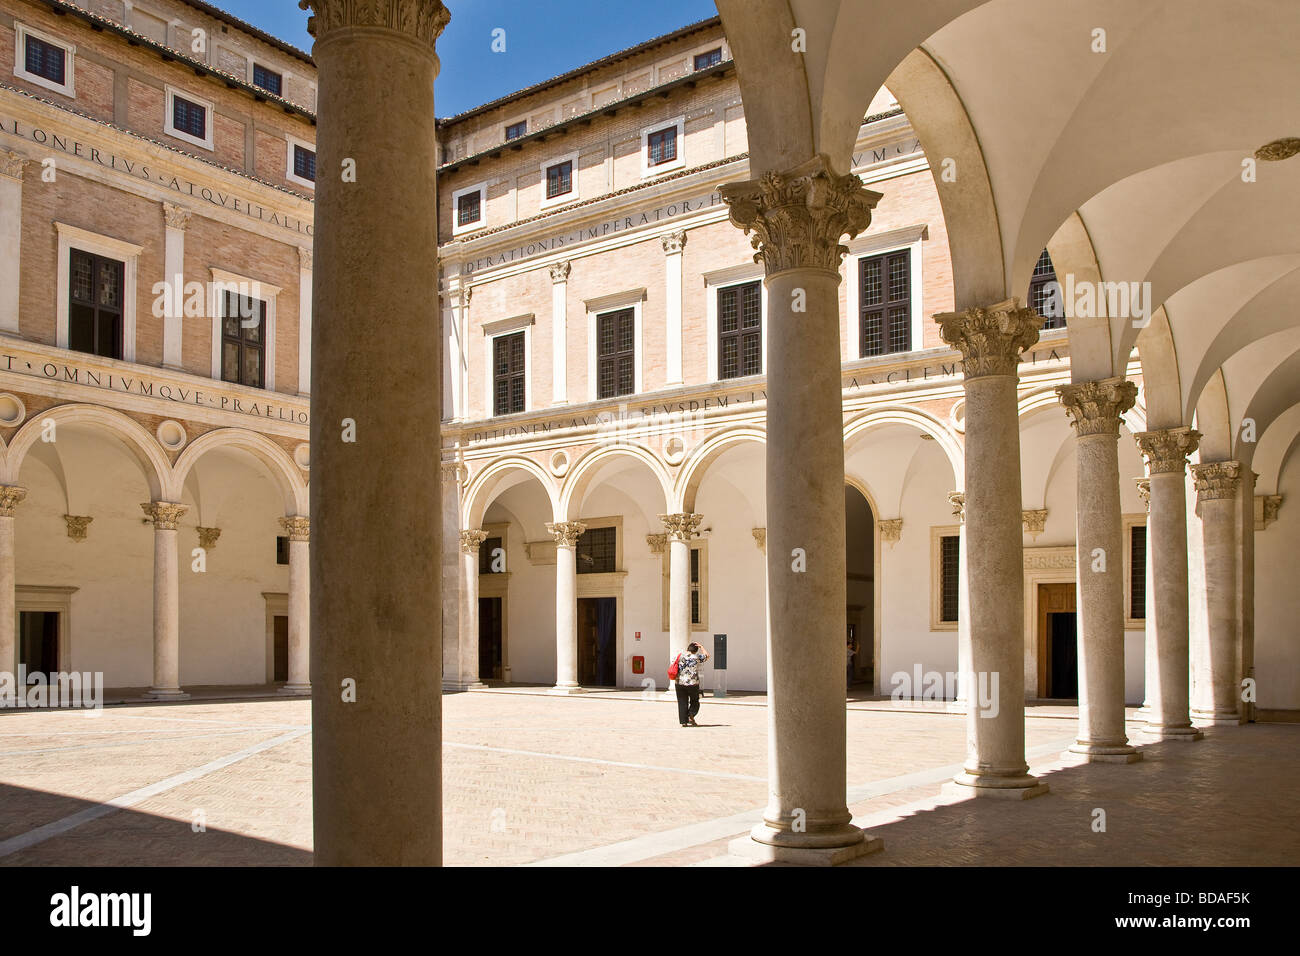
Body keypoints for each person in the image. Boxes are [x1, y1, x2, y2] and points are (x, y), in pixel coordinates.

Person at [674, 641, 710, 727]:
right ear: (696, 650)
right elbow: (707, 655)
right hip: (692, 683)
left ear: (688, 649)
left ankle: (683, 721)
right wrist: (701, 647)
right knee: (695, 701)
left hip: (679, 682)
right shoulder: (696, 657)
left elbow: (673, 664)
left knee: (682, 702)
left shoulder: (679, 656)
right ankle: (690, 714)